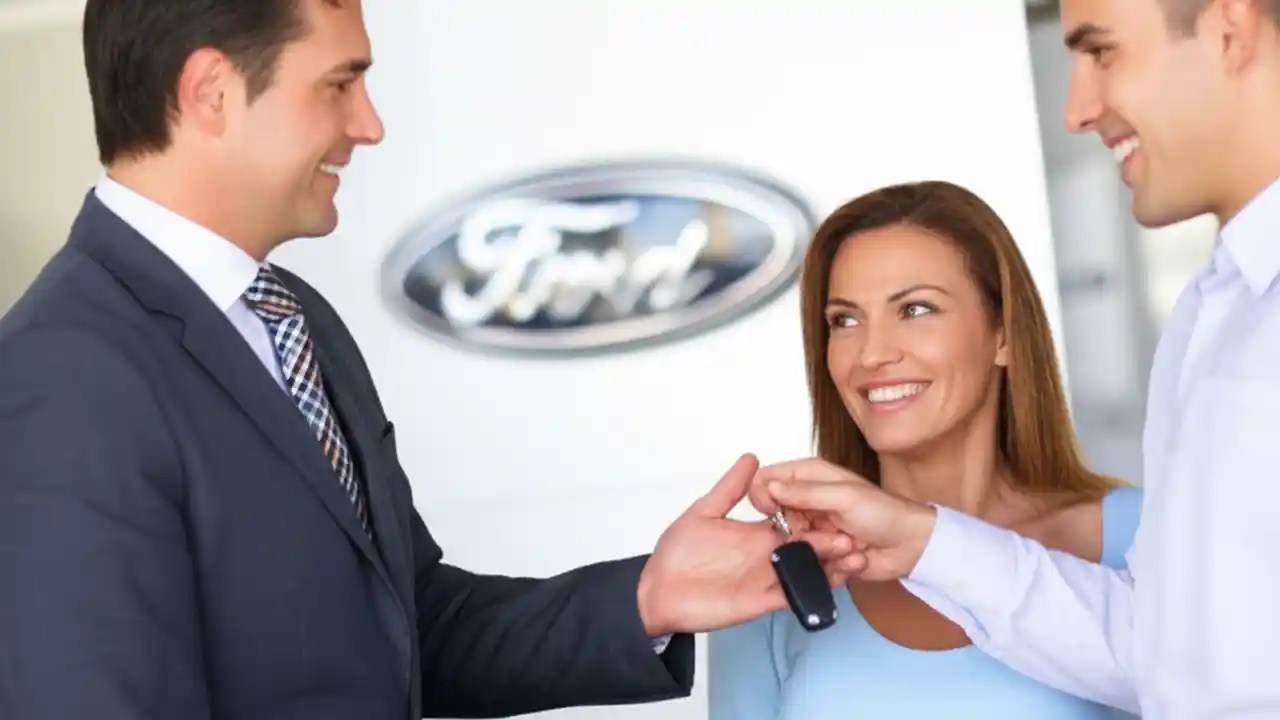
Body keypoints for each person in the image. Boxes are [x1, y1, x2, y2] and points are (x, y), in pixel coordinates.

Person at [0, 1, 854, 718]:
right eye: (340, 83)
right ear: (211, 91)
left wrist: (647, 600)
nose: (367, 125)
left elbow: (411, 628)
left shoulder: (293, 316)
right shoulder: (62, 376)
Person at [748, 0, 1280, 716]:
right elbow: (1165, 658)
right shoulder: (1211, 314)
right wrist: (923, 539)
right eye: (843, 320)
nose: (1076, 110)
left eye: (1102, 52)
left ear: (1229, 29)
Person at [709, 181, 1143, 719]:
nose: (872, 353)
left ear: (1004, 334)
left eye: (915, 309)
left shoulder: (1139, 535)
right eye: (845, 320)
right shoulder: (779, 575)